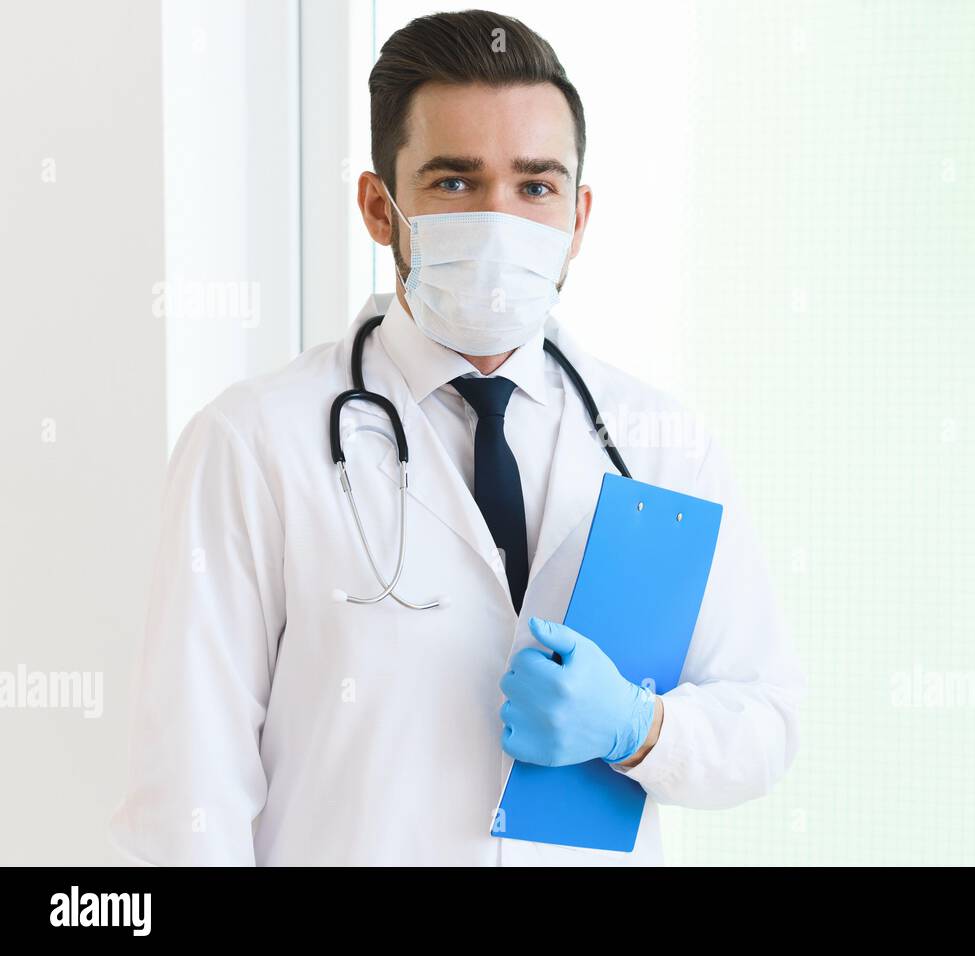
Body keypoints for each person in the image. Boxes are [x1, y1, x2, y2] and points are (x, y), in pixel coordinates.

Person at [109, 8, 805, 866]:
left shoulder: (658, 443)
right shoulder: (254, 446)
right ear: (378, 206)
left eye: (535, 186)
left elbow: (765, 721)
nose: (498, 218)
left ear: (579, 218)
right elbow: (186, 800)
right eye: (455, 183)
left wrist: (638, 725)